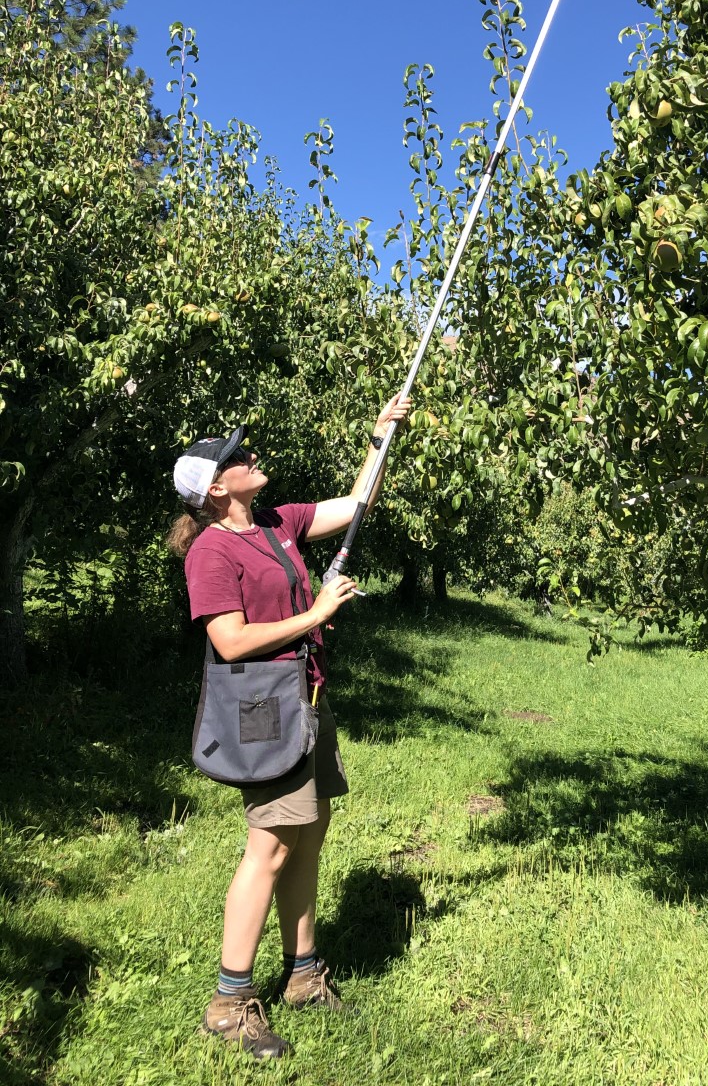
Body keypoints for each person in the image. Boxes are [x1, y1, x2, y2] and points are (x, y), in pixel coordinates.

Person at [167, 393, 411, 1059]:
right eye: (235, 457)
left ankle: (303, 976)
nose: (250, 456)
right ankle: (229, 1002)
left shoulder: (276, 523)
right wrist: (317, 613)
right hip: (262, 707)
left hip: (307, 697)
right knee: (270, 846)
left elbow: (355, 505)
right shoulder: (211, 552)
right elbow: (231, 641)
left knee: (308, 838)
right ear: (217, 490)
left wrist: (379, 438)